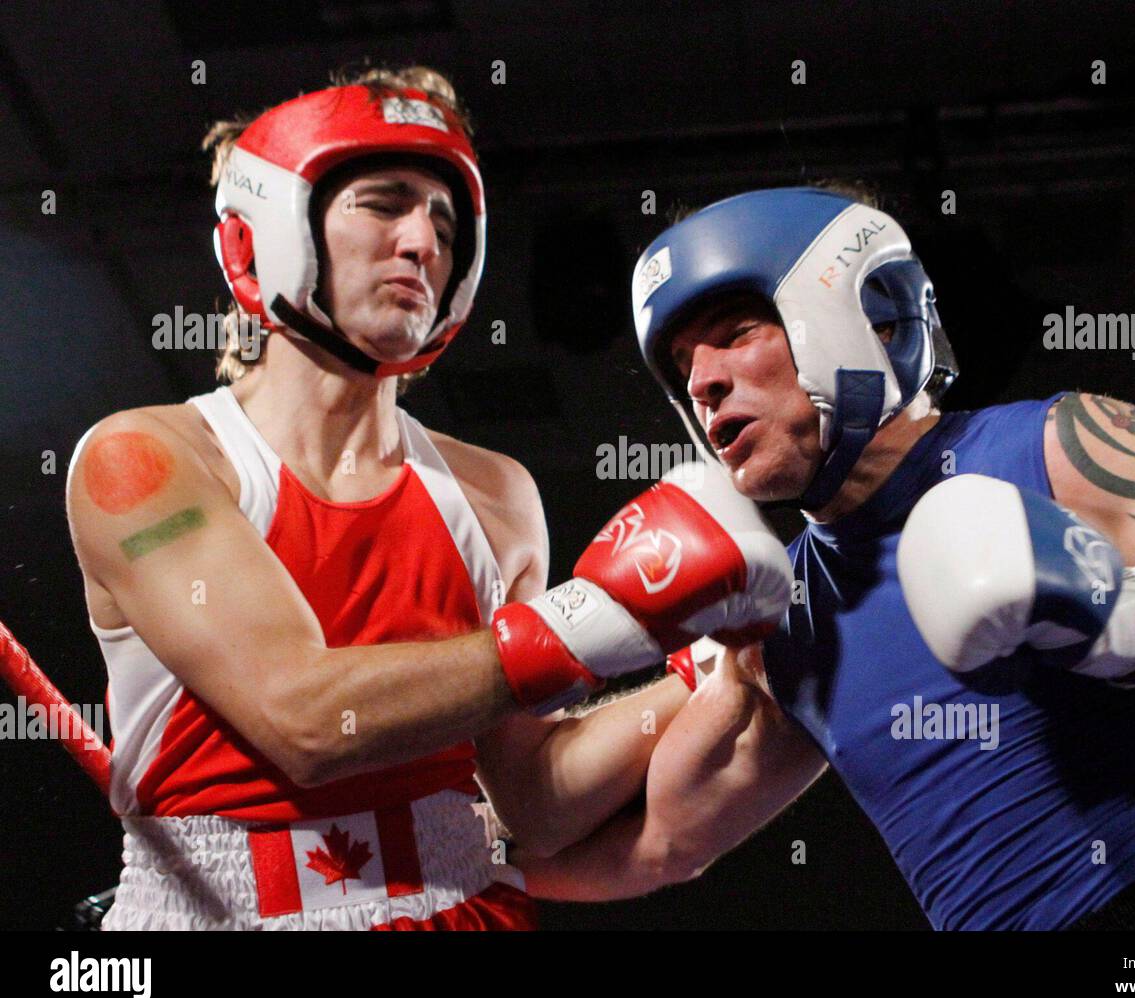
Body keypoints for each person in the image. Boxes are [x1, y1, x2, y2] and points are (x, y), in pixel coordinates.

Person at [63, 67, 791, 930]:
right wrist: (598, 617)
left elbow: (534, 802)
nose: (423, 243)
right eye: (384, 204)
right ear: (261, 237)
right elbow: (304, 717)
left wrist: (696, 659)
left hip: (461, 906)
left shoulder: (492, 495)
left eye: (445, 223)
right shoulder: (144, 460)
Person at [521, 186, 1135, 930]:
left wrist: (1133, 615)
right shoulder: (780, 625)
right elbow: (650, 844)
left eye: (733, 333)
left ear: (862, 316)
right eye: (683, 364)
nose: (702, 381)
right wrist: (452, 865)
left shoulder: (1058, 449)